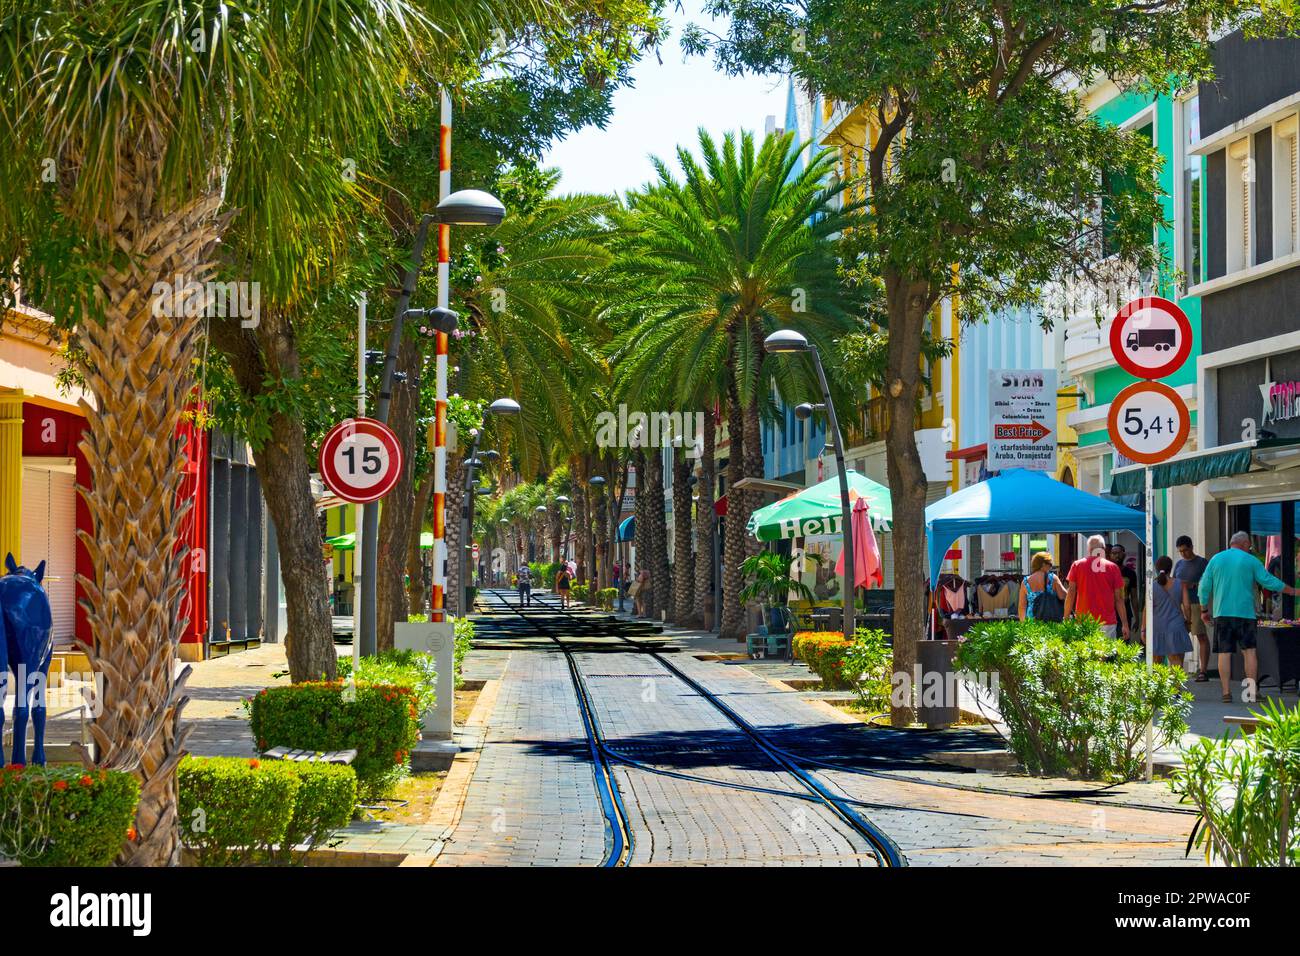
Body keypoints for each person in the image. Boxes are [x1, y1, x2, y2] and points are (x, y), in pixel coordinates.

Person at [1200, 530, 1300, 703]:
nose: (1250, 548)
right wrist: (1292, 591)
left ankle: (1226, 692)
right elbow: (1268, 580)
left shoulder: (1216, 559)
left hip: (1222, 613)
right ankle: (1252, 693)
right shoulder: (1250, 560)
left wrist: (1203, 610)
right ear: (1244, 543)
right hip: (1245, 613)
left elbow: (1204, 586)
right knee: (1250, 652)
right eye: (1249, 545)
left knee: (1224, 653)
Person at [1064, 534, 1130, 639]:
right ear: (1103, 549)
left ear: (1088, 549)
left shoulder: (1077, 565)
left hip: (1083, 621)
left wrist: (1066, 618)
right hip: (1107, 622)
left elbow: (1071, 593)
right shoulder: (1113, 568)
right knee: (1105, 654)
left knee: (1084, 655)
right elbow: (1119, 599)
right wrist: (1125, 624)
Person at [1173, 535, 1211, 682]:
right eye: (1180, 551)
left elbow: (1208, 582)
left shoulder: (1202, 562)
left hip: (1196, 603)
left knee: (1200, 635)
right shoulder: (1179, 564)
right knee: (1181, 638)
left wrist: (1193, 585)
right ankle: (1179, 670)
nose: (1183, 554)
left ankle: (1203, 670)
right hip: (1181, 604)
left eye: (1185, 550)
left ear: (1191, 547)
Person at [1151, 555, 1193, 671]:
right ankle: (1177, 687)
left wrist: (1144, 628)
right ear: (1171, 568)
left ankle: (1158, 688)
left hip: (1157, 625)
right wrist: (1188, 622)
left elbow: (1147, 609)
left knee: (1156, 659)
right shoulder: (1181, 584)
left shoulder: (1152, 586)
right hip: (1176, 624)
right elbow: (1187, 606)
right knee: (1175, 658)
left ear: (1156, 568)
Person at [1019, 552, 1067, 621]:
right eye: (1050, 564)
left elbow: (1022, 606)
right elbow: (1063, 596)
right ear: (1043, 564)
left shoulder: (1025, 582)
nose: (1051, 567)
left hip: (1032, 620)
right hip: (1050, 619)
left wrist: (1023, 624)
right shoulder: (1052, 578)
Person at [1109, 542, 1140, 627]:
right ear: (1110, 555)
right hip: (1109, 612)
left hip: (1125, 612)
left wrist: (1137, 618)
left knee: (1124, 639)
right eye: (1114, 553)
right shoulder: (1106, 572)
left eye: (1119, 553)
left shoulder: (1130, 573)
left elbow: (1134, 597)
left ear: (1124, 554)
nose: (1116, 556)